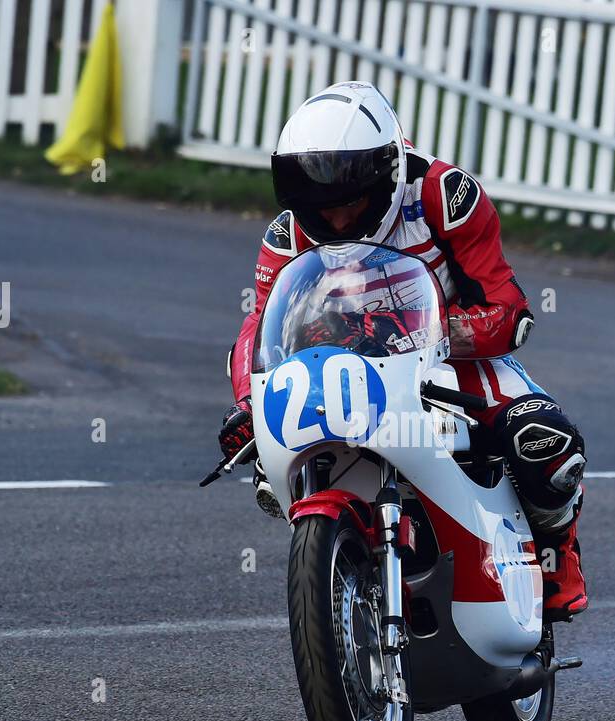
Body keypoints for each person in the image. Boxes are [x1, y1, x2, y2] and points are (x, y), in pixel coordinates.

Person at [217, 81, 588, 620]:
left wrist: (441, 334)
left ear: (387, 173)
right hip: (344, 371)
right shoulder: (287, 235)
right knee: (265, 465)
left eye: (351, 203)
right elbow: (260, 327)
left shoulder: (445, 196)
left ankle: (557, 556)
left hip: (451, 360)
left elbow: (506, 305)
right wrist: (251, 402)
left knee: (544, 441)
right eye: (323, 208)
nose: (338, 221)